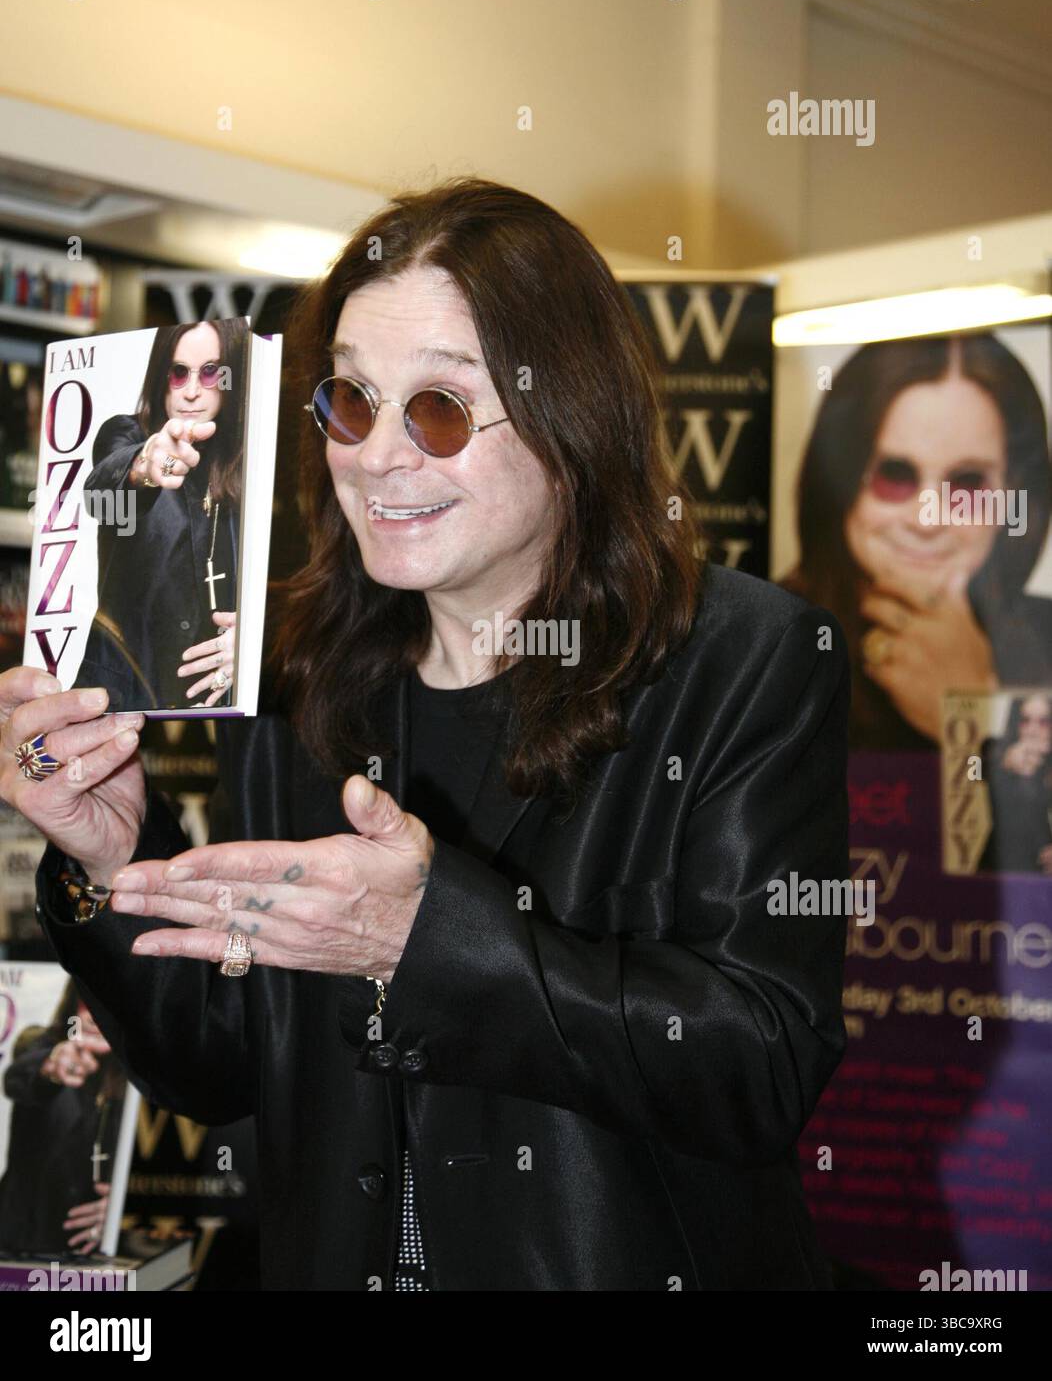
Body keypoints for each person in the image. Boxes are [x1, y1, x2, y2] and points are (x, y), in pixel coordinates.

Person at [8, 177, 850, 1291]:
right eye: (351, 401)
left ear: (570, 419)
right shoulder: (298, 674)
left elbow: (760, 1061)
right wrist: (112, 857)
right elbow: (219, 1065)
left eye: (440, 410)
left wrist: (428, 943)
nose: (379, 456)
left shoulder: (740, 659)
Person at [782, 333, 1052, 749]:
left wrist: (978, 710)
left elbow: (1030, 815)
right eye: (894, 475)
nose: (927, 520)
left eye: (967, 485)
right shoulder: (765, 640)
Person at [70, 318, 247, 711]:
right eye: (178, 373)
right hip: (120, 696)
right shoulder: (125, 435)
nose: (191, 392)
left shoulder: (252, 464)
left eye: (211, 372)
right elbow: (102, 493)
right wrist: (144, 465)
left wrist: (253, 641)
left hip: (217, 710)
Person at [0, 983, 121, 1256]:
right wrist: (52, 1066)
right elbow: (18, 1079)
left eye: (109, 1001)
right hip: (24, 1248)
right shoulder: (42, 1044)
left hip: (101, 1254)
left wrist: (120, 1209)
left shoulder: (143, 1080)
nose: (93, 1014)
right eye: (86, 1000)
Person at [978, 691, 1052, 875]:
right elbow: (970, 771)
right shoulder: (996, 750)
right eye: (1025, 720)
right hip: (999, 872)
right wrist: (1004, 762)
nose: (1033, 730)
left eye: (1043, 722)